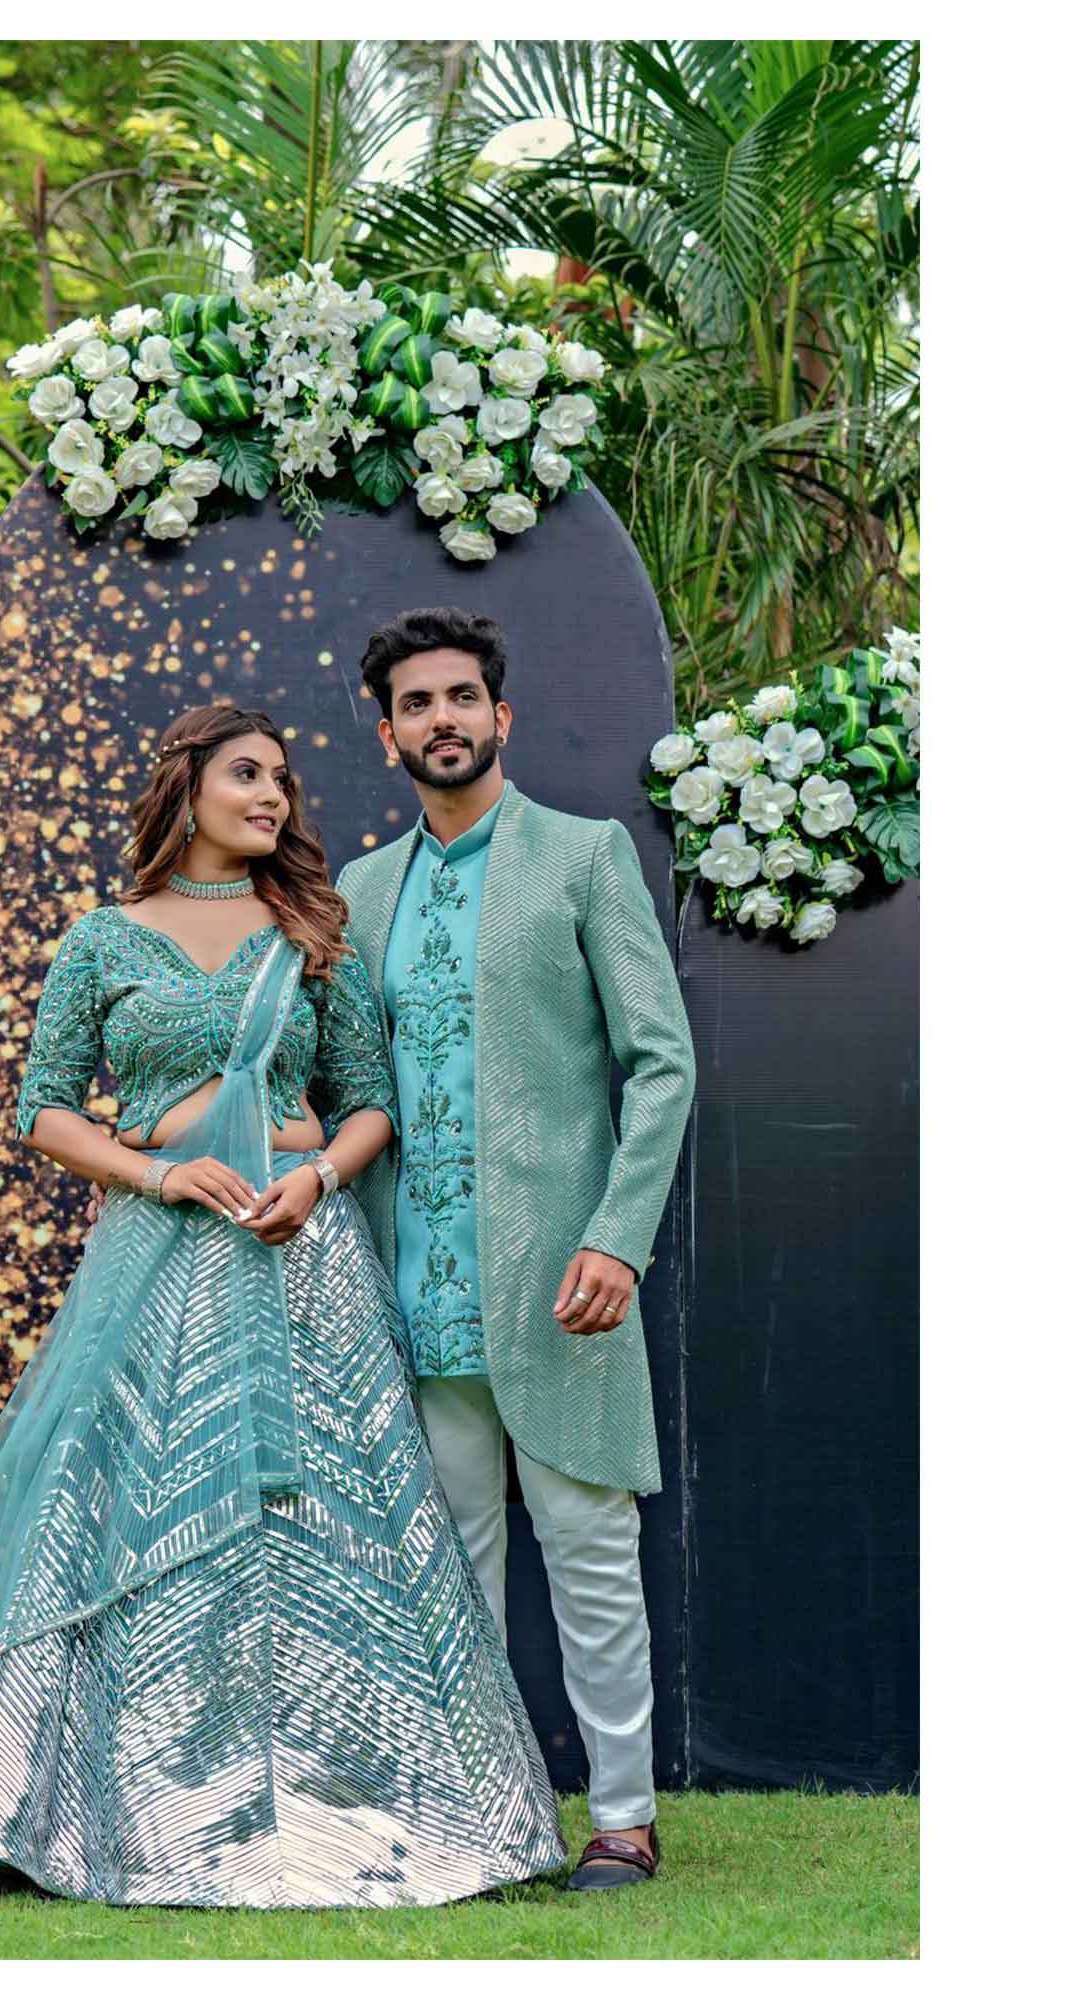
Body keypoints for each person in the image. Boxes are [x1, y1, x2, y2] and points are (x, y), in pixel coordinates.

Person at [0, 703, 569, 1907]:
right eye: (247, 774)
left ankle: (374, 1812)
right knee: (136, 1510)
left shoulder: (312, 931)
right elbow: (42, 1107)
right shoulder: (104, 939)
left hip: (300, 1259)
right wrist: (159, 1170)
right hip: (159, 1260)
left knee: (326, 1521)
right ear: (187, 786)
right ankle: (116, 1813)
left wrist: (316, 1179)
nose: (273, 796)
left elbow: (370, 1101)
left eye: (283, 780)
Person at [334, 608, 696, 1893]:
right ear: (387, 735)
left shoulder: (584, 856)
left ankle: (623, 1818)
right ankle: (481, 1823)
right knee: (450, 1569)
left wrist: (619, 1240)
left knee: (590, 1554)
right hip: (415, 1290)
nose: (440, 718)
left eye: (459, 697)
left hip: (560, 1286)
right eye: (415, 703)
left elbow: (661, 1063)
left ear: (500, 715)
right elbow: (350, 1086)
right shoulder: (362, 893)